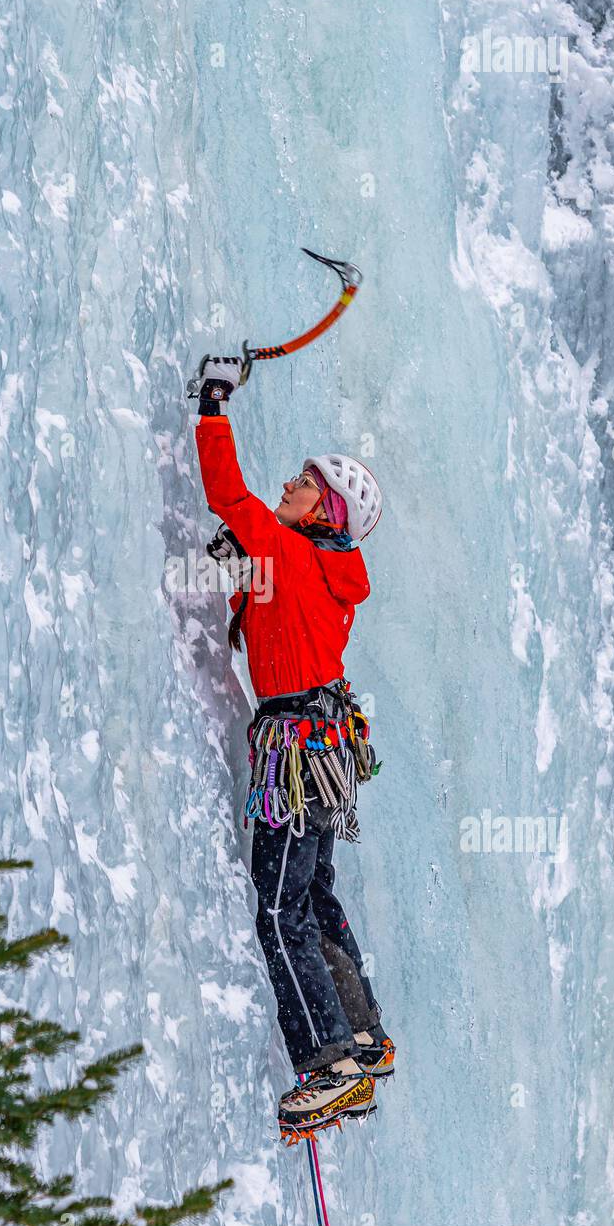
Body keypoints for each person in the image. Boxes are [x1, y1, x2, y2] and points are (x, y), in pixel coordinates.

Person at [191, 355, 395, 1141]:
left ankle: (329, 1064)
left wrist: (213, 406)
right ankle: (364, 1033)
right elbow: (278, 610)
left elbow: (227, 496)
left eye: (306, 483)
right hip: (324, 747)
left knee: (277, 909)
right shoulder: (324, 566)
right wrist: (241, 571)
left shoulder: (288, 546)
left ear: (325, 510)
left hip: (293, 750)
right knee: (309, 895)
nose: (290, 485)